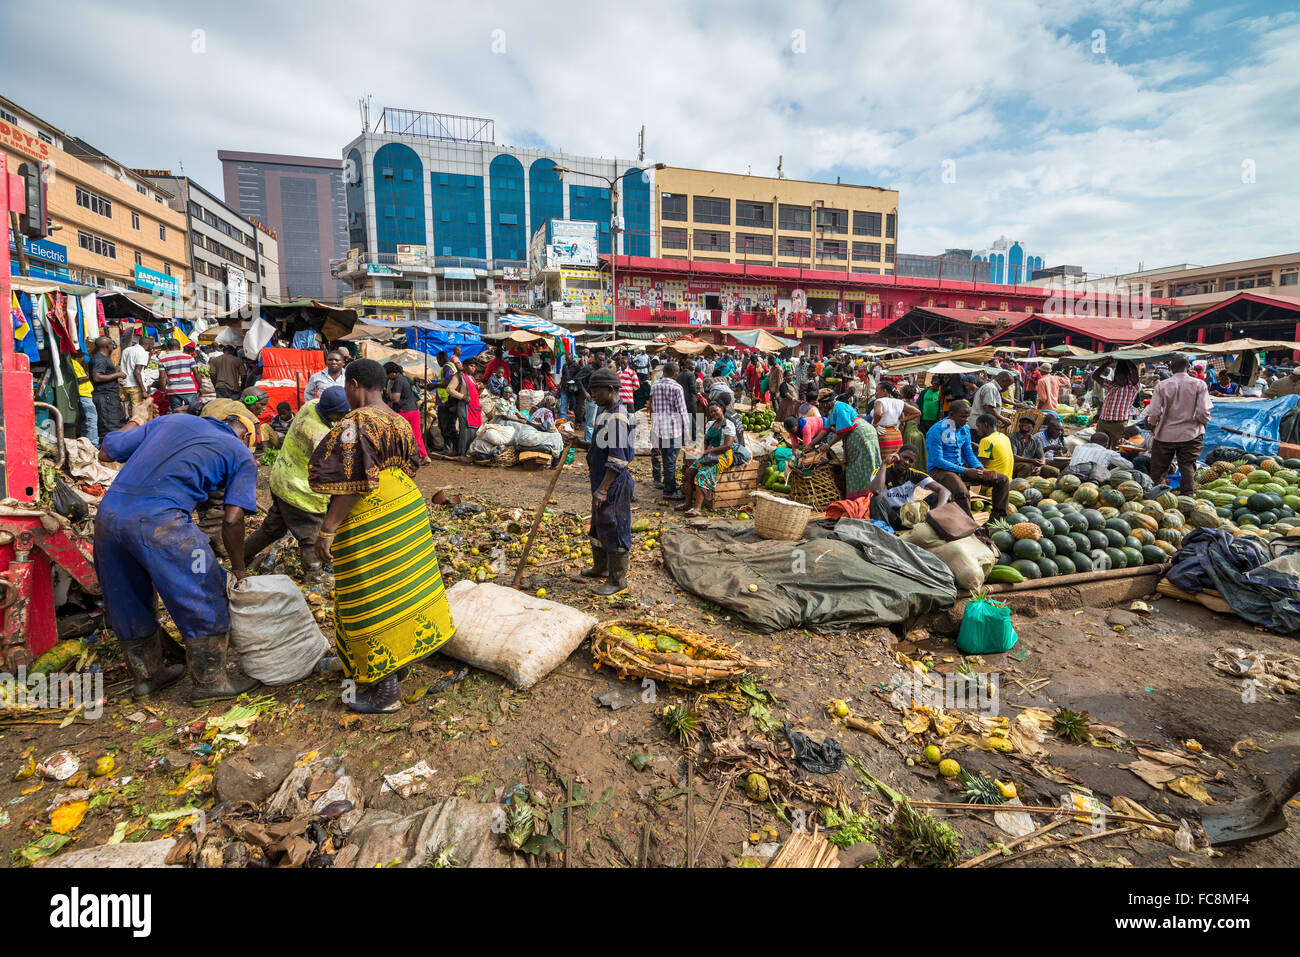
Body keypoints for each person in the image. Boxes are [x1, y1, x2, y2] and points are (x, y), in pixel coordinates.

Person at [308, 359, 456, 713]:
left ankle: (385, 690)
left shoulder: (356, 422)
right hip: (405, 506)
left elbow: (351, 483)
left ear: (355, 385)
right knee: (401, 589)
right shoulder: (398, 420)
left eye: (346, 386)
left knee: (369, 593)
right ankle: (399, 663)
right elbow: (411, 465)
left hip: (370, 515)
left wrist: (328, 529)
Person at [94, 400, 260, 701]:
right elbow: (233, 519)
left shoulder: (168, 422)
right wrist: (238, 568)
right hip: (162, 525)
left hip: (109, 519)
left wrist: (136, 417)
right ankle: (211, 682)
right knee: (204, 587)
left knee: (126, 597)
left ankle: (148, 676)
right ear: (246, 436)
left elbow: (107, 450)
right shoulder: (240, 454)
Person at [244, 387, 351, 582]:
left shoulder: (310, 406)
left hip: (282, 478)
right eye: (343, 414)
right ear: (333, 413)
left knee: (273, 528)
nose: (345, 417)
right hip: (301, 492)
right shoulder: (320, 437)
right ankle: (313, 575)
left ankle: (242, 555)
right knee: (311, 536)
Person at [570, 366, 635, 596]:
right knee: (598, 525)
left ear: (610, 389)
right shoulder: (604, 412)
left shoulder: (618, 417)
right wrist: (581, 444)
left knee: (614, 526)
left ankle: (617, 580)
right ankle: (601, 567)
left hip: (613, 483)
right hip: (600, 480)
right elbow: (601, 446)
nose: (593, 395)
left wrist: (603, 489)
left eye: (596, 391)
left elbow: (617, 458)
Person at [925, 399, 1009, 519]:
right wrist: (965, 470)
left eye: (967, 417)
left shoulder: (964, 429)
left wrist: (980, 468)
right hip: (939, 469)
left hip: (959, 467)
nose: (966, 420)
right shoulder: (936, 430)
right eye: (963, 417)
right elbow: (937, 460)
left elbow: (968, 454)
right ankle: (969, 526)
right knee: (961, 492)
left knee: (1002, 480)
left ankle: (997, 520)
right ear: (951, 414)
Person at [1145, 355, 1213, 492]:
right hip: (1191, 433)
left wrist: (1152, 425)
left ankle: (1154, 496)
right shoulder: (1199, 384)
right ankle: (1187, 496)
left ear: (1170, 368)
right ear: (1188, 367)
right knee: (1187, 466)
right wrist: (1203, 423)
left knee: (1158, 469)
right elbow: (1203, 411)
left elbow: (1153, 412)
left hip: (1165, 434)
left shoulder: (1162, 385)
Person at [808, 388, 882, 500]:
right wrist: (810, 445)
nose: (821, 407)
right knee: (861, 464)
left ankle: (866, 497)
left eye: (822, 404)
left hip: (860, 435)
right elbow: (825, 430)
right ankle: (862, 496)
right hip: (861, 434)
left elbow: (846, 430)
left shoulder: (839, 407)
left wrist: (829, 445)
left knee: (860, 465)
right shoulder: (832, 411)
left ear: (827, 402)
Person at [868, 446, 950, 530]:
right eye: (905, 458)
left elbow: (945, 491)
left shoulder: (915, 475)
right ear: (897, 455)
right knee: (876, 499)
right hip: (889, 516)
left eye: (911, 461)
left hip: (909, 517)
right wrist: (884, 464)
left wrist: (938, 510)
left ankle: (932, 527)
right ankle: (885, 531)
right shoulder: (881, 471)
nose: (907, 462)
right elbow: (876, 490)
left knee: (938, 496)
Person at [679, 399, 736, 518]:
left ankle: (698, 508)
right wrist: (700, 451)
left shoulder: (728, 425)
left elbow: (727, 446)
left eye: (716, 411)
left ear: (722, 409)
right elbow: (705, 441)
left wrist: (707, 451)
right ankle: (688, 504)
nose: (713, 414)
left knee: (703, 474)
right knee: (690, 472)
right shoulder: (710, 424)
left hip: (723, 456)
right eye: (711, 412)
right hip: (708, 453)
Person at [650, 360, 689, 501]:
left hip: (660, 428)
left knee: (666, 459)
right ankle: (669, 491)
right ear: (675, 373)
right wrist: (687, 431)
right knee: (670, 460)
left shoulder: (655, 385)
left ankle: (669, 484)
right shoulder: (677, 388)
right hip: (673, 430)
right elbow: (683, 412)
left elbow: (652, 407)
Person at [384, 362, 429, 464]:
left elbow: (395, 399)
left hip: (405, 411)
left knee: (401, 435)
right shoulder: (405, 379)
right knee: (416, 434)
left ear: (393, 373)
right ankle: (423, 456)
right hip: (413, 410)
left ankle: (406, 457)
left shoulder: (398, 381)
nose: (387, 377)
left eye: (388, 374)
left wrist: (389, 393)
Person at [1094, 358, 1139, 447]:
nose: (1121, 380)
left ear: (1128, 378)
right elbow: (1095, 376)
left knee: (1118, 448)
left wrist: (1125, 359)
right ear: (1115, 378)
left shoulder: (1132, 388)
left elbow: (1134, 371)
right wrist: (1107, 363)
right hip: (1102, 422)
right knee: (1098, 447)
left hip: (1119, 424)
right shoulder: (1111, 386)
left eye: (1124, 378)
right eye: (1119, 378)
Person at [871, 381, 919, 459]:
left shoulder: (880, 401)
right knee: (894, 461)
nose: (876, 393)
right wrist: (900, 421)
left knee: (882, 462)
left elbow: (878, 414)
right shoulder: (899, 402)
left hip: (883, 435)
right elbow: (917, 413)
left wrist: (875, 424)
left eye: (877, 391)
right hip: (896, 436)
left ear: (884, 391)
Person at [1062, 433, 1130, 484]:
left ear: (1090, 441)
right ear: (1106, 445)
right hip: (1093, 482)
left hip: (1069, 478)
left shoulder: (1078, 448)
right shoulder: (1109, 453)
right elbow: (1130, 466)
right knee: (1123, 466)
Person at [1009, 414, 1059, 478]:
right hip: (1015, 464)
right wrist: (1031, 461)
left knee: (1054, 471)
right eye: (1022, 422)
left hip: (1031, 464)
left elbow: (1042, 456)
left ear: (1032, 427)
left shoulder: (1036, 440)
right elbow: (1013, 456)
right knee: (1027, 467)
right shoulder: (1012, 437)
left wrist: (1040, 466)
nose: (1024, 424)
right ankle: (1020, 486)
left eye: (1027, 423)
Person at [155, 339, 198, 412]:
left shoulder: (162, 359)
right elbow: (196, 373)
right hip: (189, 388)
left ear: (167, 347)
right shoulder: (189, 357)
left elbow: (162, 377)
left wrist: (163, 392)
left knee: (177, 412)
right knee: (194, 411)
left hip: (173, 390)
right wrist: (200, 386)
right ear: (179, 347)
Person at [974, 413, 1015, 486]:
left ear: (985, 425)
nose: (977, 429)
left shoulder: (986, 440)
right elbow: (995, 451)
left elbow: (979, 466)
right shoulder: (1004, 437)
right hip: (1007, 480)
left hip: (994, 482)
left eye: (978, 426)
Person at [70, 347, 98, 448]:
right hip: (83, 395)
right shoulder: (70, 362)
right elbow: (75, 380)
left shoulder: (74, 362)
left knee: (85, 422)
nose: (82, 352)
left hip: (85, 394)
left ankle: (84, 445)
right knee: (91, 421)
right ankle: (93, 446)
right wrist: (90, 377)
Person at [119, 336, 151, 416]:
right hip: (135, 386)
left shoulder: (127, 350)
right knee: (137, 413)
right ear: (150, 345)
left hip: (125, 384)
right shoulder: (142, 352)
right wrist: (143, 390)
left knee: (127, 410)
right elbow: (137, 372)